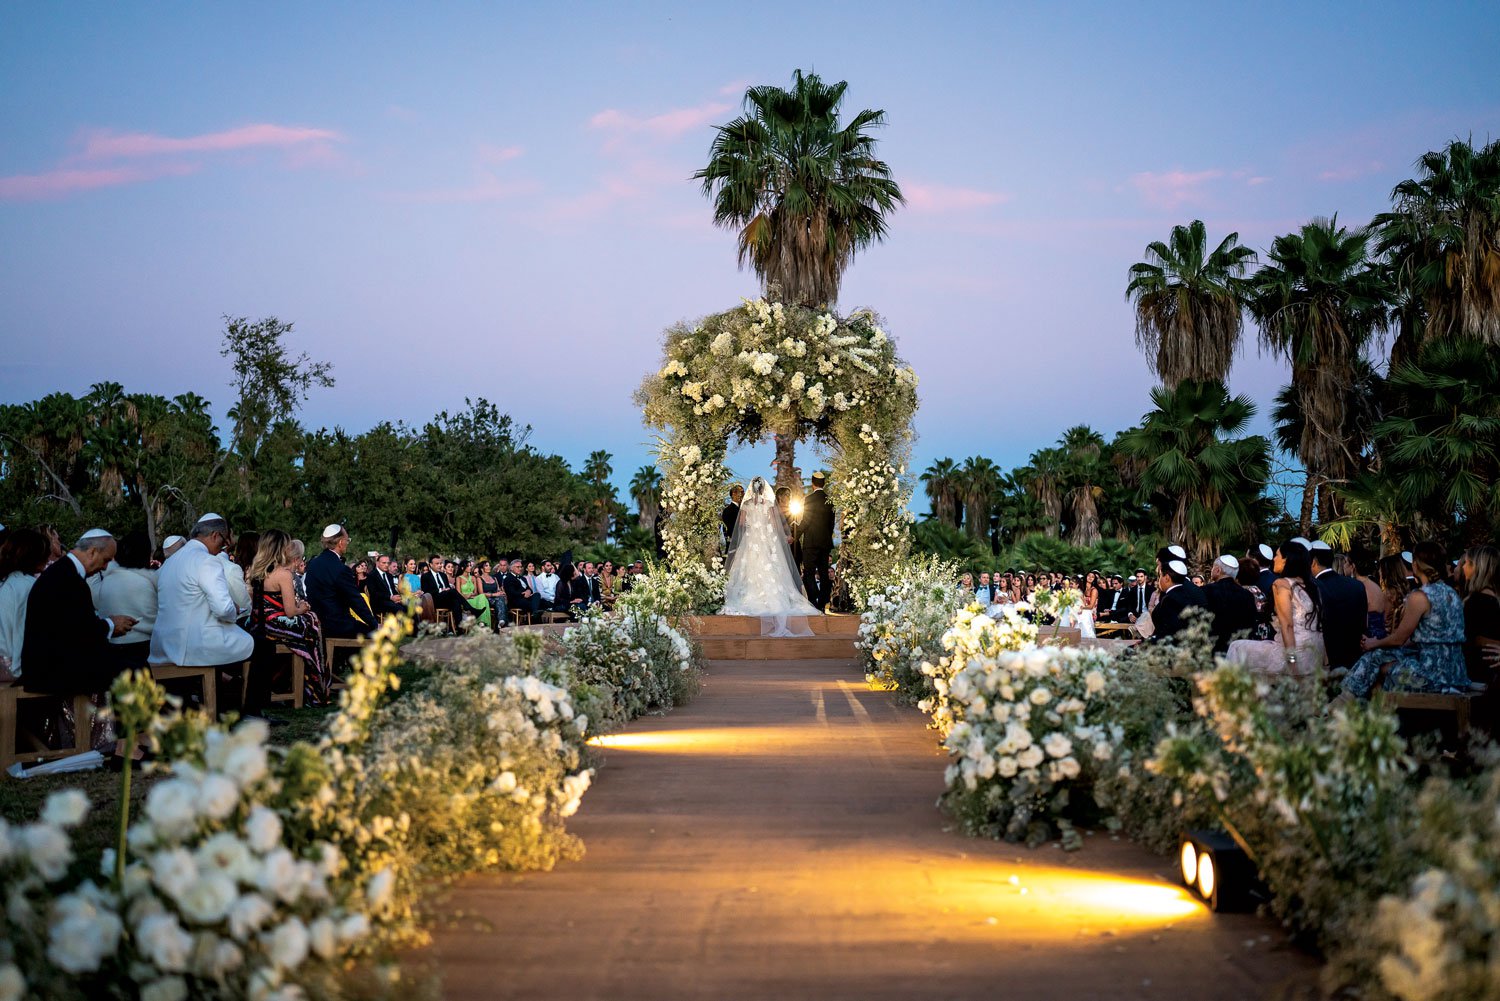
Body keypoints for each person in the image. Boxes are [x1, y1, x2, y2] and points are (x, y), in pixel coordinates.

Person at [149, 515, 255, 713]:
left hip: (163, 644)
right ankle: (249, 711)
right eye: (224, 542)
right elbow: (224, 609)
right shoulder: (207, 561)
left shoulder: (168, 564)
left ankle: (219, 705)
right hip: (194, 644)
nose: (223, 547)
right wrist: (236, 610)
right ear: (215, 535)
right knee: (259, 645)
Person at [1341, 541, 1468, 700]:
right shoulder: (1452, 594)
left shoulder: (1420, 597)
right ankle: (1350, 704)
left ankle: (1343, 703)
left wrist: (1372, 644)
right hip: (1456, 671)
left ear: (1416, 565)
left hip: (1433, 675)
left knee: (1373, 658)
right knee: (1378, 657)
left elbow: (1399, 639)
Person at [22, 528, 140, 697]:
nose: (105, 567)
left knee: (130, 663)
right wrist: (111, 624)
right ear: (92, 552)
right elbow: (79, 631)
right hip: (54, 670)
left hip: (51, 664)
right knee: (137, 670)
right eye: (106, 560)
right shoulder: (67, 578)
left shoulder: (63, 572)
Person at [723, 476, 821, 635]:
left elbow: (740, 525)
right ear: (763, 489)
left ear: (751, 489)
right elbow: (774, 525)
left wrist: (751, 526)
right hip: (766, 540)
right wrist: (782, 537)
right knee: (770, 567)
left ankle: (747, 597)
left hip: (751, 540)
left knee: (748, 568)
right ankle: (772, 600)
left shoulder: (746, 505)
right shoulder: (768, 504)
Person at [248, 529, 330, 707]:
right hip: (275, 625)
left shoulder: (255, 570)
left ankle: (294, 680)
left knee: (311, 624)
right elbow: (291, 611)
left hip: (258, 623)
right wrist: (302, 608)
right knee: (313, 623)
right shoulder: (283, 574)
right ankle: (315, 686)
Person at [1227, 540, 1325, 675]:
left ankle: (1230, 692)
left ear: (1286, 560)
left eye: (1277, 555)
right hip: (1315, 653)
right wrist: (1326, 661)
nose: (1274, 559)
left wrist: (1291, 661)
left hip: (1295, 653)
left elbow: (1287, 626)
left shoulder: (1281, 584)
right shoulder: (1312, 586)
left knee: (1236, 647)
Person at [89, 530, 157, 670]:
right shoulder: (147, 581)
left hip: (111, 650)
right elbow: (157, 619)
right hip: (142, 650)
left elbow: (95, 599)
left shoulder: (108, 581)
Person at [304, 524, 378, 639]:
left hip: (316, 622)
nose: (348, 543)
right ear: (340, 542)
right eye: (347, 540)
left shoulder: (313, 564)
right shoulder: (340, 569)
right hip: (338, 624)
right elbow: (355, 600)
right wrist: (375, 624)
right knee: (382, 637)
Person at [1310, 541, 1367, 673]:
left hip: (1326, 657)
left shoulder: (1314, 587)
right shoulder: (1356, 585)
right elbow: (1363, 621)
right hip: (1355, 656)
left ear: (1313, 561)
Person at [0, 529, 49, 679]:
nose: (47, 558)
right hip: (18, 671)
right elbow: (23, 631)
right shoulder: (30, 586)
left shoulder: (8, 582)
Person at [1460, 545, 1500, 685]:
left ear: (1477, 567)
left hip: (1478, 673)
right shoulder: (1494, 598)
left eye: (1466, 563)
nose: (1463, 567)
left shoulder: (1476, 601)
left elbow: (1471, 638)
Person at [1202, 554, 1258, 654]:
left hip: (1213, 648)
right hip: (1239, 650)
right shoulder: (1247, 595)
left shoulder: (1206, 591)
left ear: (1218, 570)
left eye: (1213, 567)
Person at [1146, 556, 1207, 644]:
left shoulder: (1170, 599)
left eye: (1160, 576)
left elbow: (1169, 633)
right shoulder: (1185, 593)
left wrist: (1149, 642)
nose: (1158, 580)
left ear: (1167, 578)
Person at [799, 472, 835, 612]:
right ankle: (822, 602)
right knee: (824, 573)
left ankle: (813, 600)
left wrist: (795, 535)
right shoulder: (829, 500)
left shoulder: (809, 499)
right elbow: (831, 524)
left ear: (813, 483)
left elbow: (806, 521)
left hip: (811, 543)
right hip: (825, 543)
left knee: (809, 572)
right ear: (824, 483)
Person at [421, 552, 473, 627]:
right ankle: (468, 607)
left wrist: (448, 589)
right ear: (430, 565)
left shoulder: (443, 575)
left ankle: (459, 628)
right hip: (435, 600)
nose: (439, 565)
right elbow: (426, 592)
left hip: (447, 599)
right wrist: (441, 589)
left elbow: (448, 589)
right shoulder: (425, 576)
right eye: (437, 563)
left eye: (440, 563)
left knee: (456, 601)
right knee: (453, 592)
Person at [362, 553, 405, 618]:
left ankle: (415, 627)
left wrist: (398, 598)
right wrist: (390, 597)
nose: (386, 565)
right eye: (384, 563)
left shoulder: (389, 575)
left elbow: (393, 590)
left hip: (391, 601)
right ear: (377, 563)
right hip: (379, 603)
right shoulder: (372, 576)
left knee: (410, 607)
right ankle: (399, 627)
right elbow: (374, 593)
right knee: (399, 609)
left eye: (388, 563)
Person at [455, 560, 492, 630]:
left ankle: (481, 622)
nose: (470, 567)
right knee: (483, 600)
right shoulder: (458, 578)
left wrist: (471, 594)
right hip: (464, 600)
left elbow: (475, 592)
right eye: (468, 566)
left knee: (482, 596)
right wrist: (467, 596)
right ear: (463, 568)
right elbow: (458, 593)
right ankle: (481, 623)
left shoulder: (473, 578)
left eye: (470, 565)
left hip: (473, 598)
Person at [722, 484, 744, 551]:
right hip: (735, 545)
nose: (744, 494)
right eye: (741, 492)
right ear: (734, 494)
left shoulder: (743, 509)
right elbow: (731, 528)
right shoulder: (728, 510)